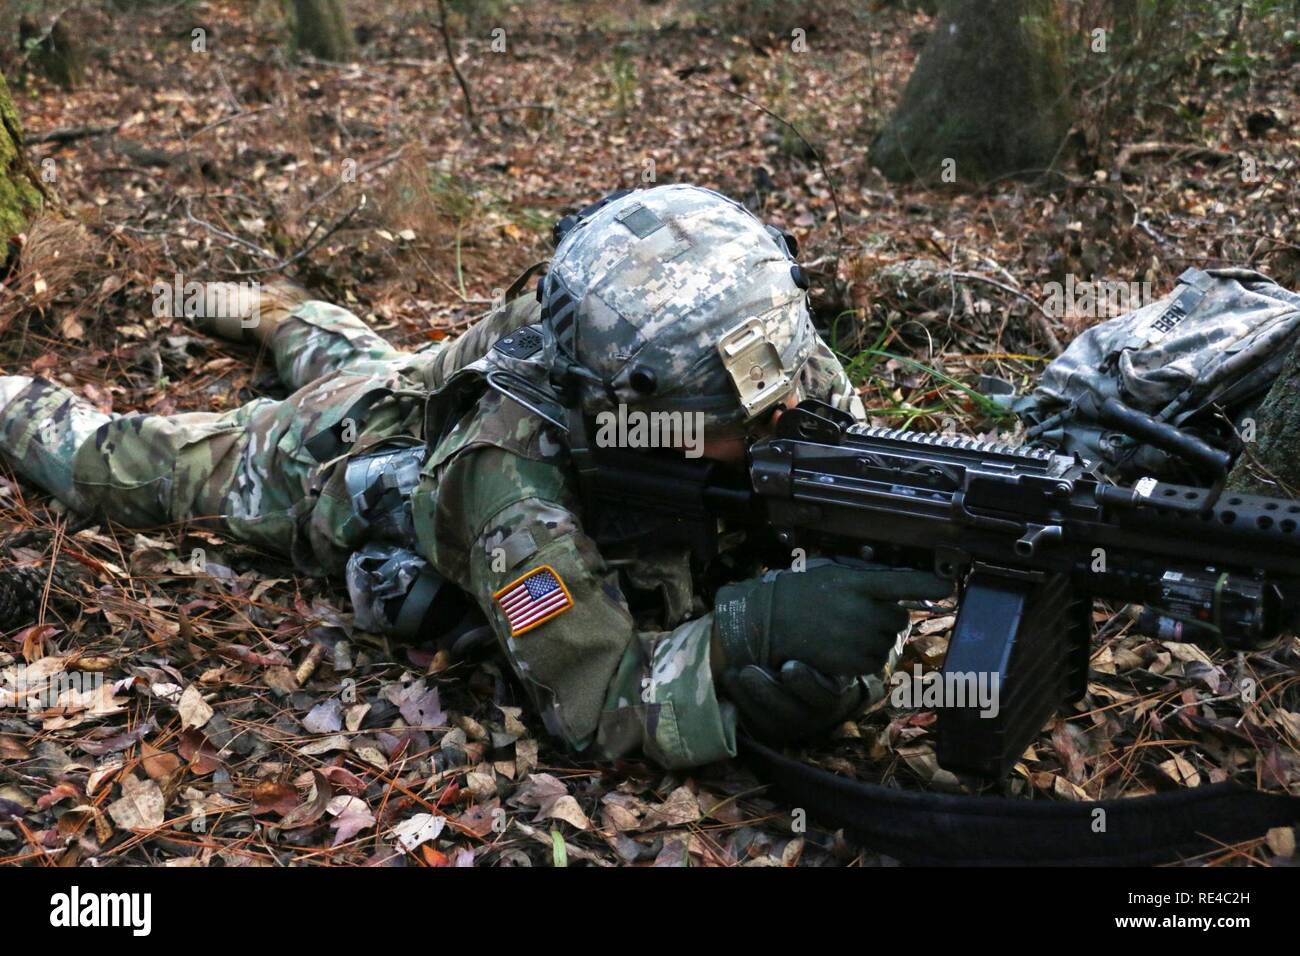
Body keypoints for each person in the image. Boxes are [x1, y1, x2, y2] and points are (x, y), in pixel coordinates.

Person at [0, 184, 949, 768]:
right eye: (728, 428)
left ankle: (265, 308)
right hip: (344, 455)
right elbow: (596, 699)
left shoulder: (757, 354)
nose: (779, 425)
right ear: (627, 412)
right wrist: (746, 636)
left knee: (331, 337)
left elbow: (835, 509)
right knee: (120, 459)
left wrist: (849, 652)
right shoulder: (510, 475)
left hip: (437, 374)